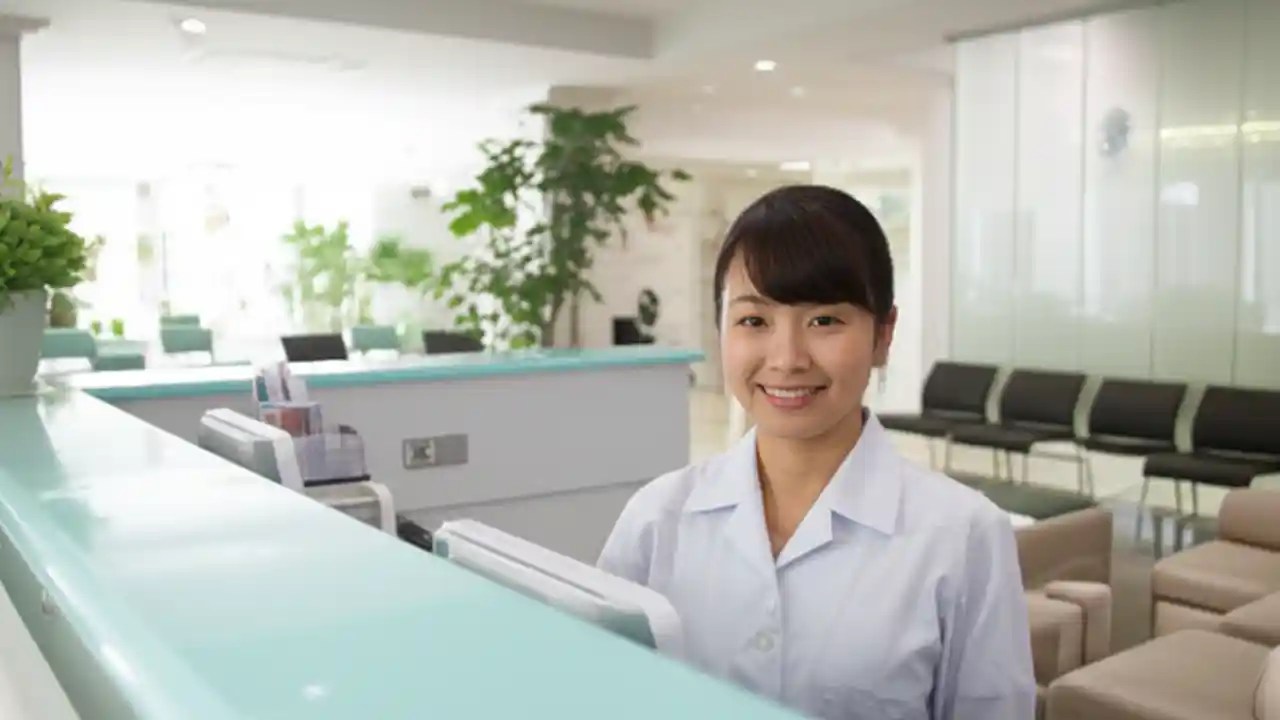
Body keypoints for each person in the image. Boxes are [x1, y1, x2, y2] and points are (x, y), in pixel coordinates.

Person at [598, 185, 1035, 720]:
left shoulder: (963, 536)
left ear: (883, 335)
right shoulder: (657, 518)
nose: (786, 359)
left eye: (824, 320)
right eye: (754, 321)